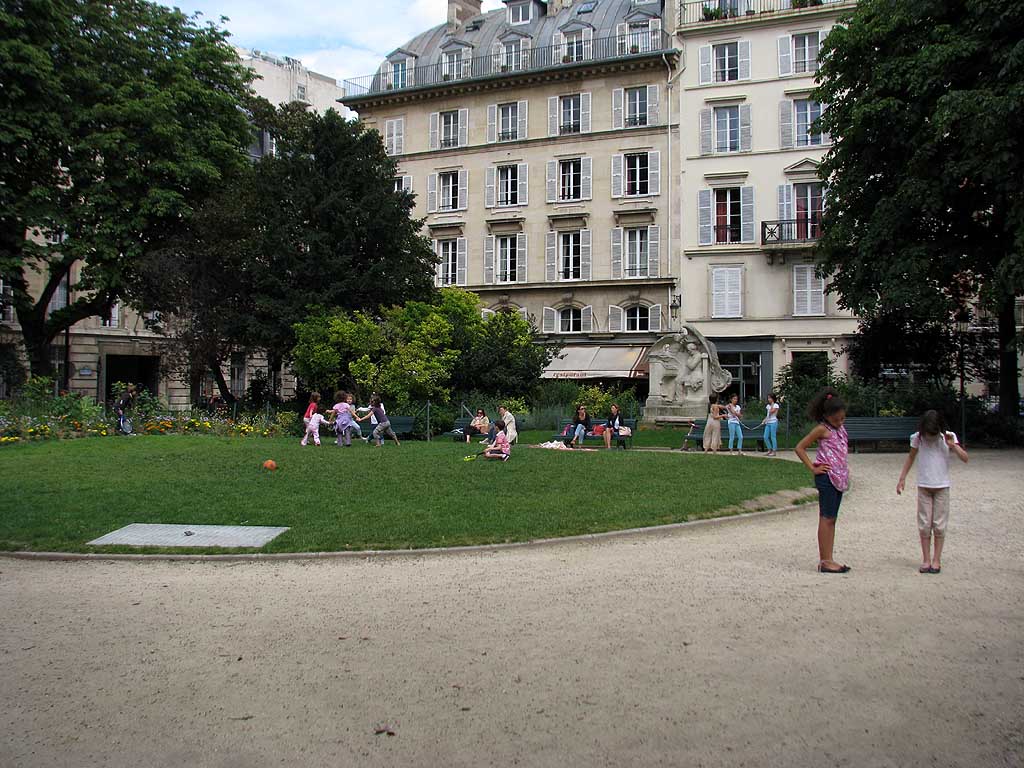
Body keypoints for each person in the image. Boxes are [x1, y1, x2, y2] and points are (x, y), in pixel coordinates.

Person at [896, 410, 969, 574]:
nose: (930, 437)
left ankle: (936, 559)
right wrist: (902, 478)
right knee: (924, 524)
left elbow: (965, 458)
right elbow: (910, 457)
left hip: (942, 486)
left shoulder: (948, 437)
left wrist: (953, 446)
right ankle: (926, 559)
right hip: (924, 486)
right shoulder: (918, 437)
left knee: (939, 525)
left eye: (933, 434)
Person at [794, 388, 850, 574]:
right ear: (826, 416)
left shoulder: (839, 428)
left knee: (832, 519)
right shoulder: (821, 429)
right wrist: (813, 467)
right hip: (827, 477)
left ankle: (829, 558)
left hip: (839, 477)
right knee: (826, 518)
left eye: (842, 418)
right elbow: (800, 448)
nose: (840, 422)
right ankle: (825, 560)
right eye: (836, 420)